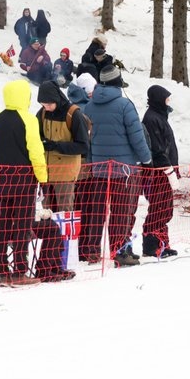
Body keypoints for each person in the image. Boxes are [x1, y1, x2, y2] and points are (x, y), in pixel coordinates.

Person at [79, 64, 150, 266]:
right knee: (121, 212)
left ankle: (91, 250)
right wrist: (146, 159)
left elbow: (88, 138)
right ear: (118, 82)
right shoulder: (125, 105)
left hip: (100, 168)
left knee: (97, 211)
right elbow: (137, 136)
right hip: (124, 170)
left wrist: (92, 162)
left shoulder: (89, 106)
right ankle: (120, 251)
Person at [0, 80, 48, 286]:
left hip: (4, 181)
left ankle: (3, 271)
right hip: (24, 182)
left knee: (3, 226)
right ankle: (20, 271)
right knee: (22, 226)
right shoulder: (28, 120)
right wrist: (43, 178)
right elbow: (36, 152)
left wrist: (0, 173)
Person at [36, 80, 89, 211]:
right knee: (46, 212)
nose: (46, 108)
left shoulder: (74, 114)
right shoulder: (42, 113)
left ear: (56, 98)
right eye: (43, 105)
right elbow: (36, 136)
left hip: (65, 173)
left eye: (49, 104)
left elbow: (83, 146)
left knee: (64, 211)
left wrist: (56, 146)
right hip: (46, 173)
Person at [139, 85, 179, 258]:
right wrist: (168, 170)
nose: (168, 102)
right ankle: (151, 245)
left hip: (166, 169)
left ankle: (162, 242)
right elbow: (157, 148)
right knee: (158, 208)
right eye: (166, 99)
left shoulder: (160, 116)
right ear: (159, 99)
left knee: (165, 209)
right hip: (159, 172)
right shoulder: (151, 118)